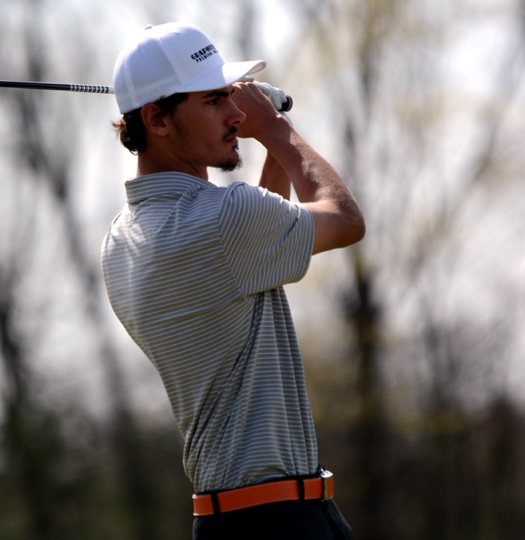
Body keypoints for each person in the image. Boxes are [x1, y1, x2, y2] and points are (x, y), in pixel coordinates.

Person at [101, 22, 364, 540]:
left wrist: (264, 141)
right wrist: (276, 131)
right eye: (216, 100)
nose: (237, 114)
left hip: (225, 523)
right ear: (156, 117)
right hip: (284, 523)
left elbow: (255, 244)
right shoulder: (224, 221)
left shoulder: (120, 241)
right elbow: (346, 219)